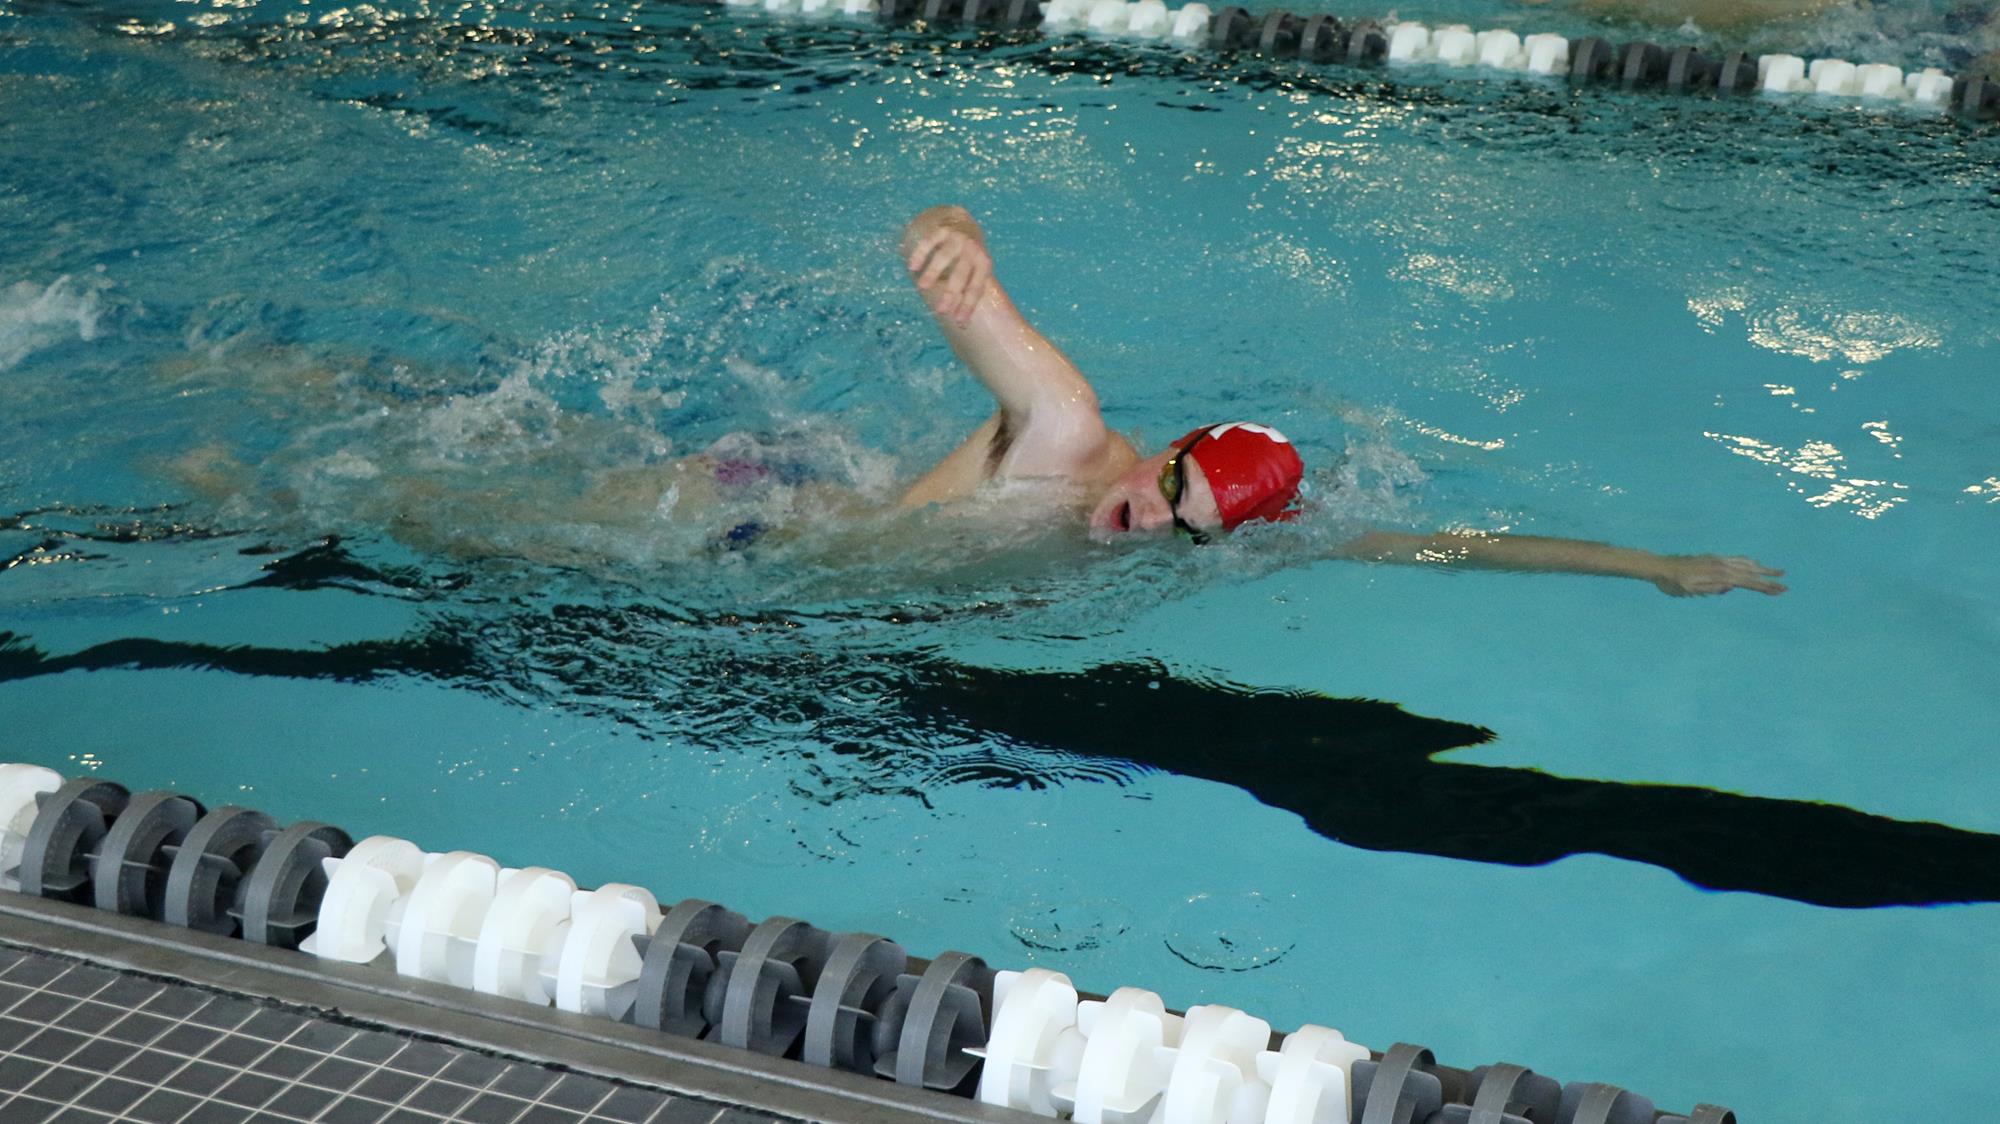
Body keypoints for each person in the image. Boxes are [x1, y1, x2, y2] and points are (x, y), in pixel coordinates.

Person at [895, 204, 1786, 598]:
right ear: (1167, 451)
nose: (1159, 524)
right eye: (1171, 491)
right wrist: (956, 240)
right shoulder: (1063, 429)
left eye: (1193, 527)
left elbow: (1450, 550)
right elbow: (961, 270)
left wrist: (1652, 567)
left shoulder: (1205, 527)